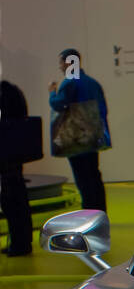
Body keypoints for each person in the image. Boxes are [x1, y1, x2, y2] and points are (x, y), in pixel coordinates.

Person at [49, 48, 109, 212]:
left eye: (61, 62)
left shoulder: (69, 83)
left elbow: (58, 104)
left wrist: (52, 93)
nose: (60, 66)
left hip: (76, 139)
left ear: (69, 62)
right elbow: (103, 109)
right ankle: (100, 210)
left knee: (82, 178)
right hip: (92, 137)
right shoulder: (92, 83)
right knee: (94, 175)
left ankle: (88, 211)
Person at [0, 78, 34, 256]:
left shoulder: (4, 94)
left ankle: (19, 244)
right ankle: (21, 241)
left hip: (5, 156)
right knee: (17, 200)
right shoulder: (13, 91)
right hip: (15, 154)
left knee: (10, 202)